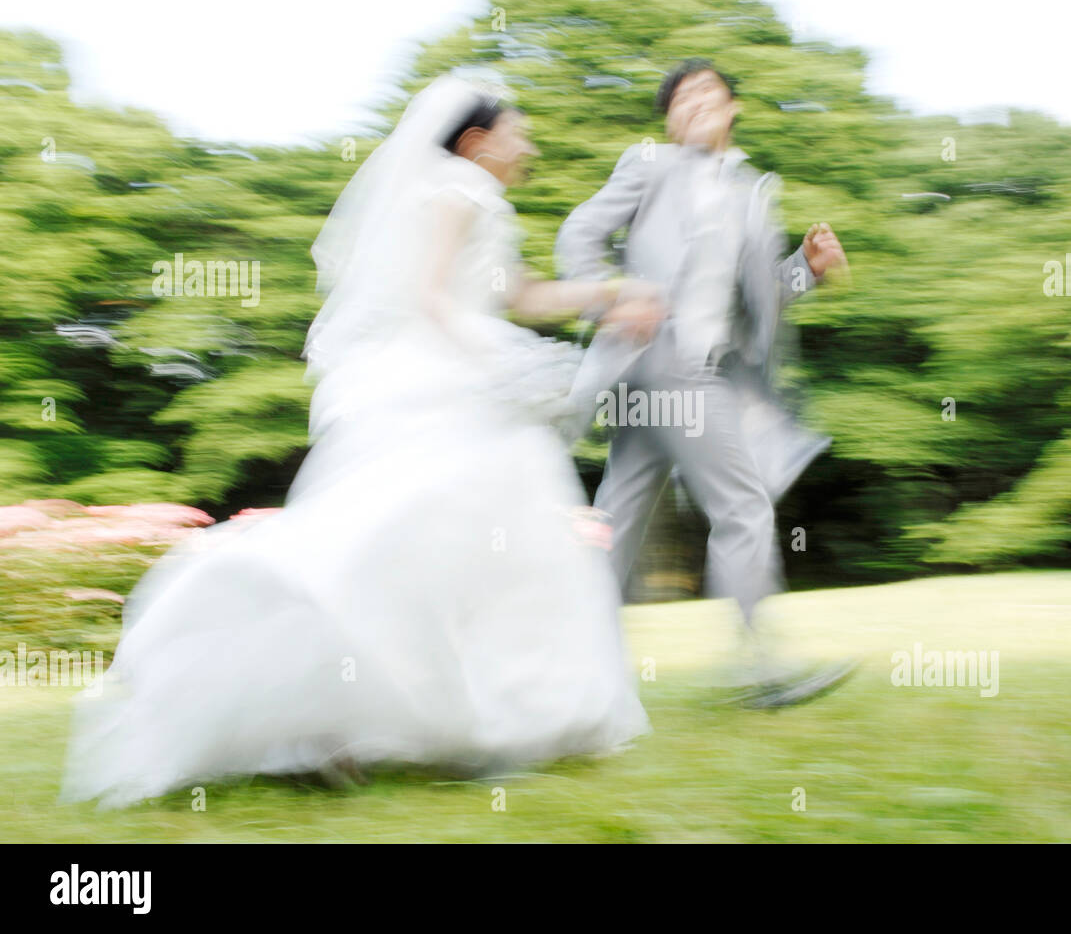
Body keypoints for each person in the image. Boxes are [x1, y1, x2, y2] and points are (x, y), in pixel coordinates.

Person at [61, 73, 662, 809]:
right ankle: (325, 711)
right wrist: (495, 363)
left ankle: (414, 720)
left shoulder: (477, 200)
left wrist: (612, 294)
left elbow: (523, 294)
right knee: (394, 546)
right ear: (477, 141)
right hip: (442, 387)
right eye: (518, 130)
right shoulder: (457, 189)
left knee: (435, 552)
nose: (528, 143)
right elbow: (431, 297)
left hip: (449, 381)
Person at [556, 59, 854, 703]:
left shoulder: (750, 193)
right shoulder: (650, 167)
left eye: (703, 92)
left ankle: (568, 666)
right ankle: (760, 668)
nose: (690, 103)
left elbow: (761, 298)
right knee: (743, 507)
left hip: (679, 378)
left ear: (731, 105)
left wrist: (807, 267)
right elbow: (579, 232)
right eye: (678, 99)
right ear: (668, 120)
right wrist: (611, 300)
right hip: (663, 367)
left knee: (617, 518)